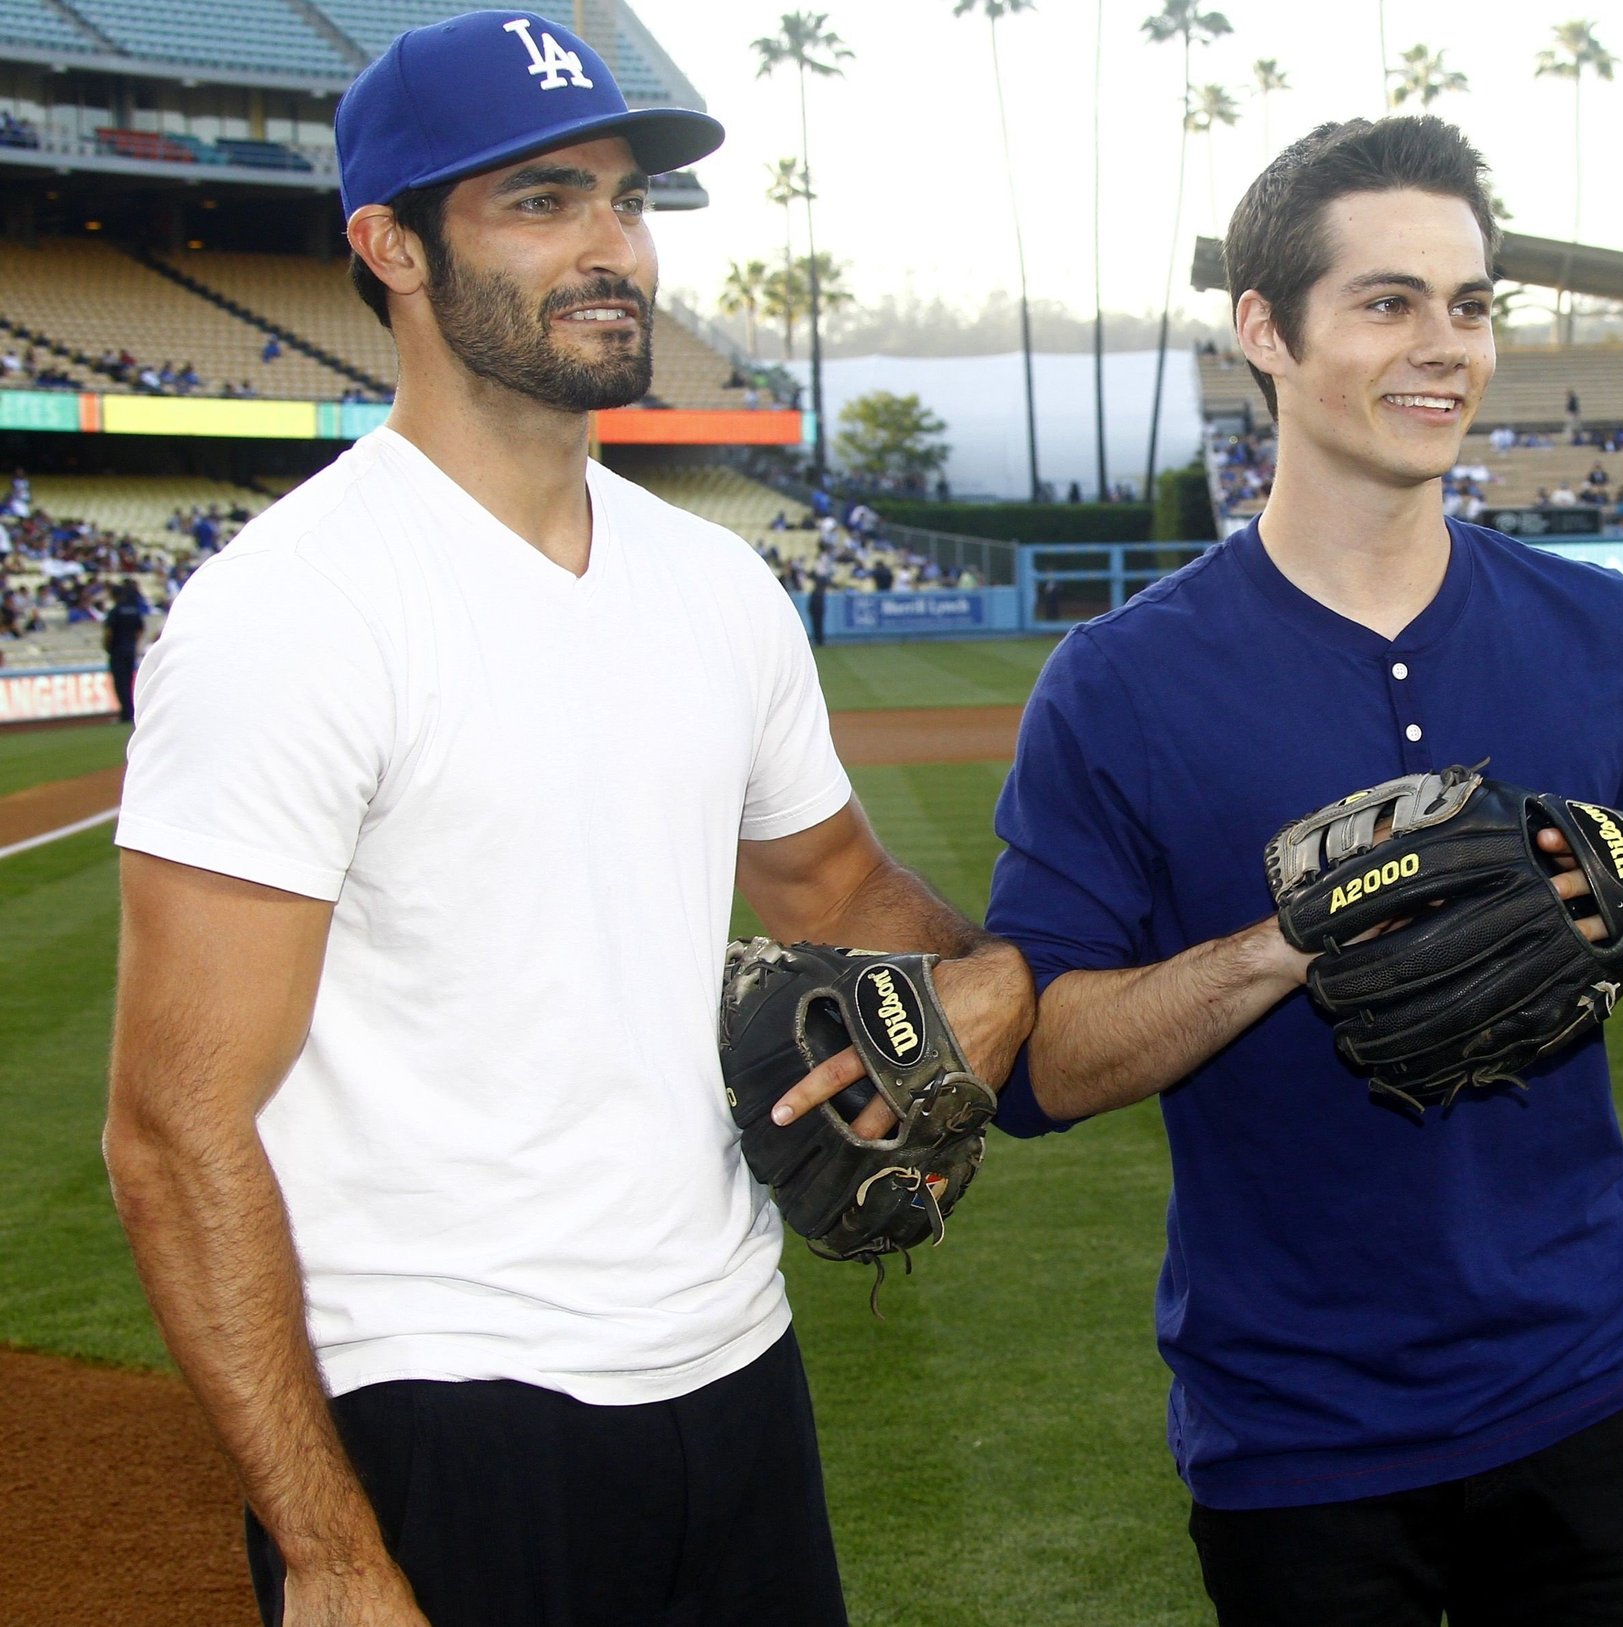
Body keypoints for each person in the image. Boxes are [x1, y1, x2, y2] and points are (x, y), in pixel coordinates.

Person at [101, 15, 1033, 1627]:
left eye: (629, 199)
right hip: (445, 1404)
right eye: (542, 201)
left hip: (735, 1359)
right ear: (390, 245)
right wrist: (330, 1550)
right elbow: (172, 1133)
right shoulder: (294, 612)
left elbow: (835, 879)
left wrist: (1027, 976)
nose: (614, 247)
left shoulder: (715, 584)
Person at [982, 116, 1623, 1626]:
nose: (1446, 348)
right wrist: (1285, 942)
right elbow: (1042, 1065)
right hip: (1298, 1433)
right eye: (1389, 301)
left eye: (1472, 305)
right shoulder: (1119, 684)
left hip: (1586, 1383)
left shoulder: (1605, 633)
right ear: (1264, 330)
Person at [102, 579, 147, 722]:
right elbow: (140, 629)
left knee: (120, 683)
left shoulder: (115, 612)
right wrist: (133, 643)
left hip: (118, 650)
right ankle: (132, 711)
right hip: (130, 649)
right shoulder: (133, 610)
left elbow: (109, 632)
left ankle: (125, 713)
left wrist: (107, 646)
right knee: (129, 681)